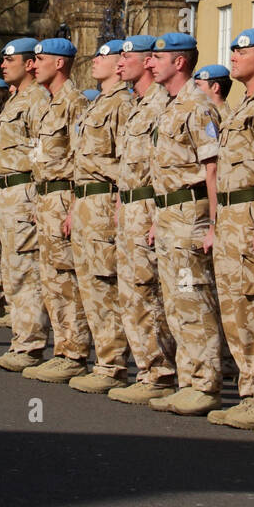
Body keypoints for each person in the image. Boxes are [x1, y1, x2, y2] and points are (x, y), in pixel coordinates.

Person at [206, 28, 254, 431]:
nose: (233, 57)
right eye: (233, 51)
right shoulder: (242, 105)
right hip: (232, 217)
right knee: (234, 309)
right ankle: (251, 389)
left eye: (242, 51)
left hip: (253, 212)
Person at [146, 34, 224, 417]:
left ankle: (206, 383)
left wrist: (213, 223)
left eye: (157, 57)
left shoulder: (199, 106)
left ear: (179, 62)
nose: (149, 63)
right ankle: (188, 380)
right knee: (176, 303)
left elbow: (212, 169)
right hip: (169, 216)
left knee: (194, 300)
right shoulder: (171, 106)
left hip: (190, 216)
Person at [109, 35, 177, 405]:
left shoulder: (161, 106)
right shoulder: (138, 105)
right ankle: (147, 368)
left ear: (149, 60)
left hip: (149, 211)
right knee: (132, 292)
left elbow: (161, 168)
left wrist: (154, 218)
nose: (121, 63)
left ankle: (159, 371)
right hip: (130, 210)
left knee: (148, 292)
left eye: (128, 56)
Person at [23, 37, 92, 384]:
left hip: (65, 196)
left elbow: (82, 160)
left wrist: (73, 208)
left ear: (60, 63)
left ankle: (75, 352)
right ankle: (62, 348)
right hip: (46, 197)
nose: (33, 66)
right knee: (51, 277)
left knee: (66, 277)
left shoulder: (75, 104)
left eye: (40, 59)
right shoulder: (47, 105)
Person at [66, 40, 132, 394]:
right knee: (90, 284)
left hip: (105, 203)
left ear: (121, 62)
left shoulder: (122, 104)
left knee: (105, 286)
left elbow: (129, 163)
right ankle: (103, 360)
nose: (95, 60)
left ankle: (112, 364)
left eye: (103, 56)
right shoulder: (99, 104)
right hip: (86, 203)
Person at [0, 38, 49, 372]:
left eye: (10, 59)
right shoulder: (15, 101)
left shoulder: (37, 99)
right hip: (8, 192)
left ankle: (29, 345)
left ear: (29, 64)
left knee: (26, 270)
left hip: (25, 190)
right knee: (13, 269)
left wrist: (37, 191)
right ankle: (21, 340)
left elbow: (42, 148)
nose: (3, 64)